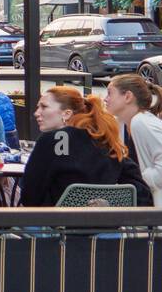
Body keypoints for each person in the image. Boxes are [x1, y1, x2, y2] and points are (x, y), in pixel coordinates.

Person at [21, 87, 151, 206]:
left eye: (44, 107)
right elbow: (142, 194)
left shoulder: (52, 140)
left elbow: (29, 198)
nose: (36, 113)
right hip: (104, 228)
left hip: (56, 228)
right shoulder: (104, 140)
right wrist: (109, 203)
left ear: (66, 114)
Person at [105, 74, 162, 207]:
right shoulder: (126, 123)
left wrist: (136, 182)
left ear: (128, 97)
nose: (105, 99)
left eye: (109, 94)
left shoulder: (141, 123)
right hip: (158, 206)